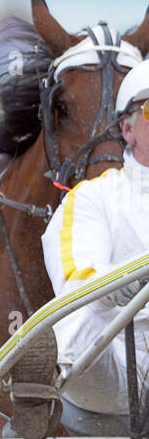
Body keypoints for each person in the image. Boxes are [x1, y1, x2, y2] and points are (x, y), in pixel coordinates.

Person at [42, 57, 149, 415]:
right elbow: (77, 282)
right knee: (76, 314)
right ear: (128, 129)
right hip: (121, 361)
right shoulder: (92, 198)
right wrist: (122, 285)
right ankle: (41, 378)